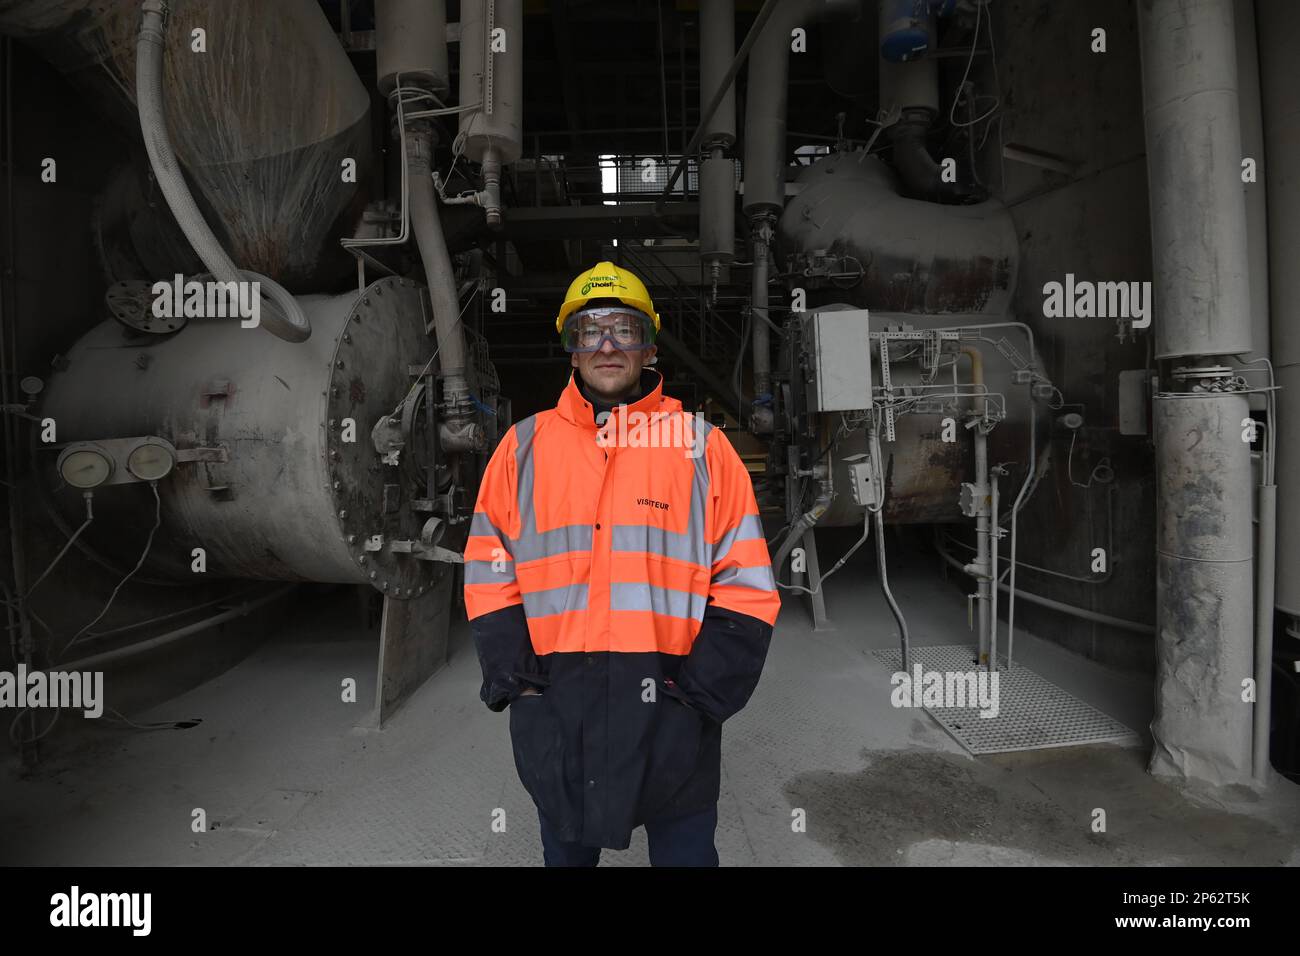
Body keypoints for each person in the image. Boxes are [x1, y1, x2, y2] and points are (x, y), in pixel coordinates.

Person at [464, 261, 779, 866]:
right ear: (570, 349)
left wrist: (698, 703)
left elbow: (747, 588)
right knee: (567, 857)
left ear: (649, 346)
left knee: (686, 855)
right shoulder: (522, 448)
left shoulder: (702, 449)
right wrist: (519, 688)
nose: (607, 345)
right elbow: (488, 571)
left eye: (625, 330)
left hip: (674, 710)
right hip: (560, 707)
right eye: (590, 330)